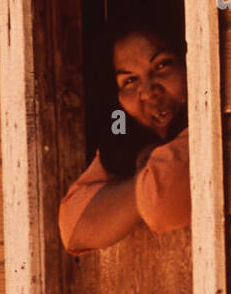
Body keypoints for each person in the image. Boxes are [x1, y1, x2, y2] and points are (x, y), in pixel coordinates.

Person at [58, 17, 191, 254]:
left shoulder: (206, 128)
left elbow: (161, 203)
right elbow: (74, 228)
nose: (150, 92)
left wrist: (144, 167)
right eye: (130, 80)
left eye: (162, 65)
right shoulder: (127, 140)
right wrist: (145, 169)